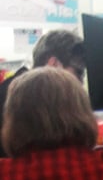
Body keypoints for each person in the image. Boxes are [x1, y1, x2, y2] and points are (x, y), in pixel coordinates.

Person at [0, 29, 86, 158]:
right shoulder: (15, 100)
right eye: (78, 73)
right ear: (53, 64)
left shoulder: (19, 94)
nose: (80, 82)